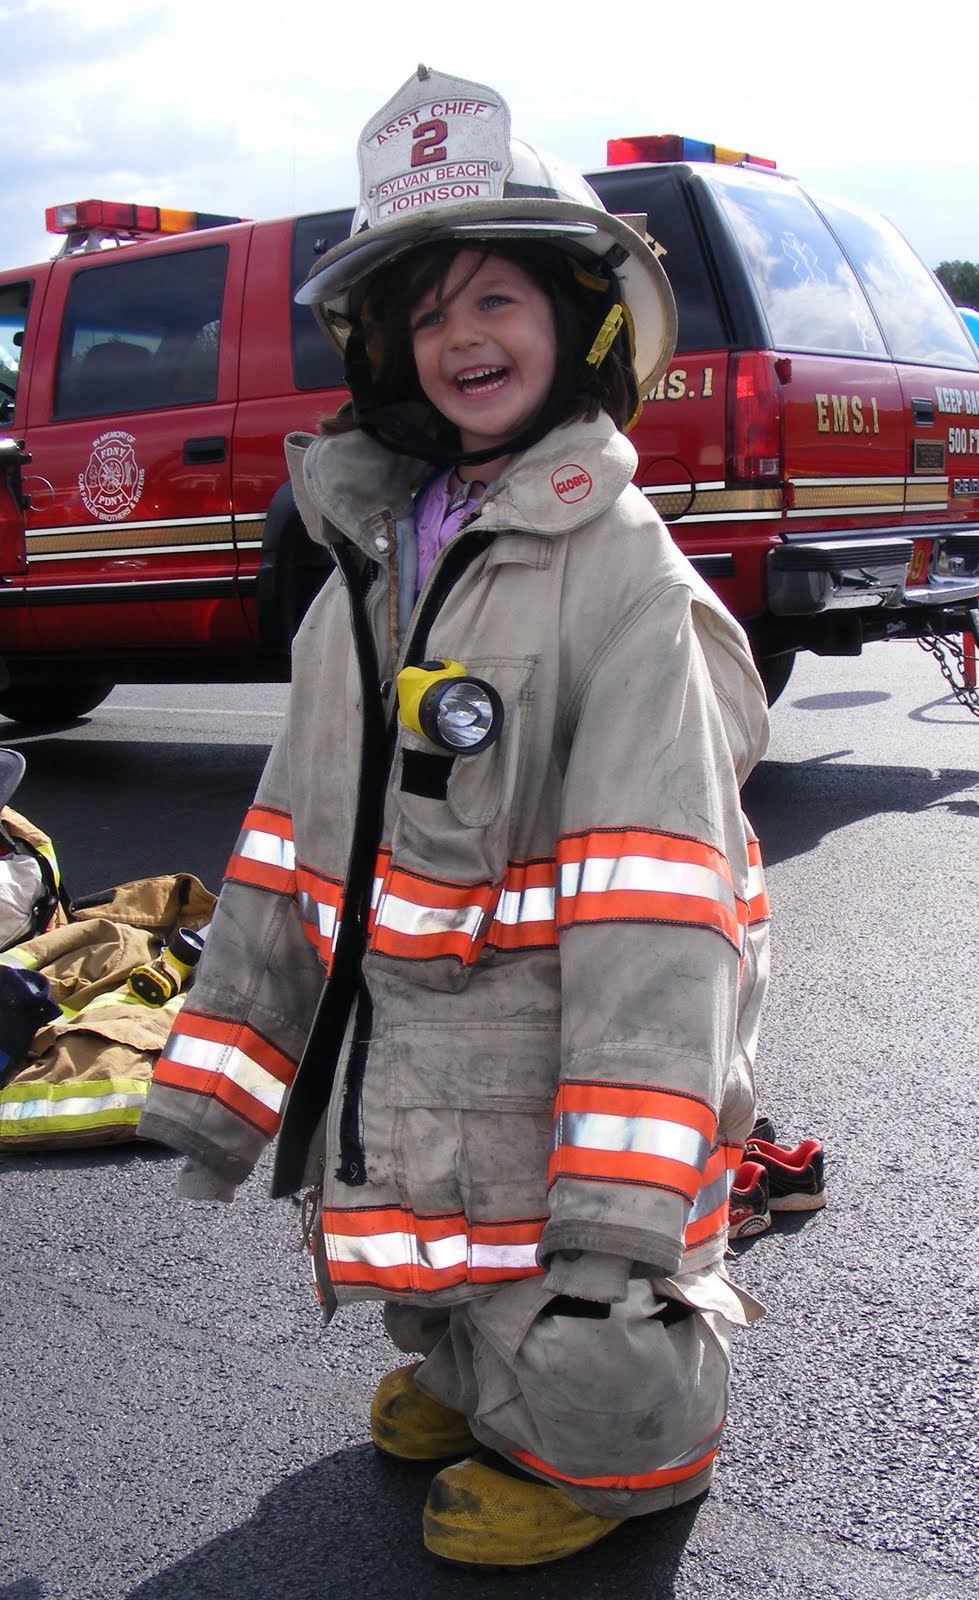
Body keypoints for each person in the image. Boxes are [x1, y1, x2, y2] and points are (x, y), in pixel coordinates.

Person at [139, 65, 771, 1569]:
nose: (461, 337)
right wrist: (225, 1081)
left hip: (570, 1059)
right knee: (449, 1269)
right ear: (381, 351)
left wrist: (629, 1190)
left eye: (497, 299)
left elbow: (658, 907)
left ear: (582, 324)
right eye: (426, 314)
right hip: (423, 1058)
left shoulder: (622, 573)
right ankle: (489, 1385)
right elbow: (297, 833)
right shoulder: (379, 549)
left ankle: (625, 1455)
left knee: (573, 1286)